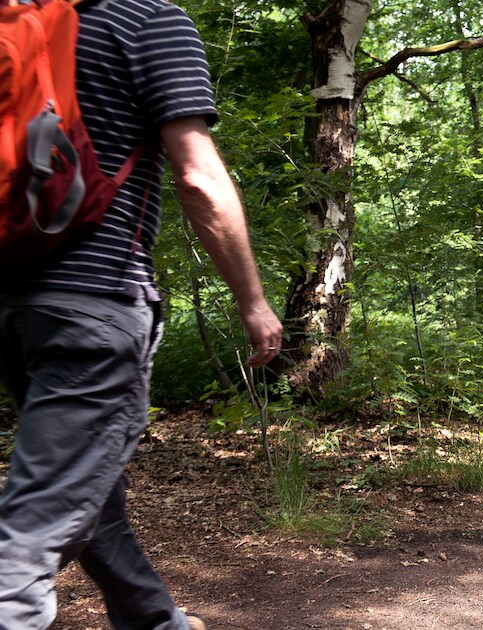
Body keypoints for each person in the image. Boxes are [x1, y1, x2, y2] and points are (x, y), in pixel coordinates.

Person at [0, 1, 282, 628]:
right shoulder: (146, 21)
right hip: (96, 305)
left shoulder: (19, 26)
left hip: (15, 308)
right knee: (38, 525)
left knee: (81, 487)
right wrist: (252, 300)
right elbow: (198, 177)